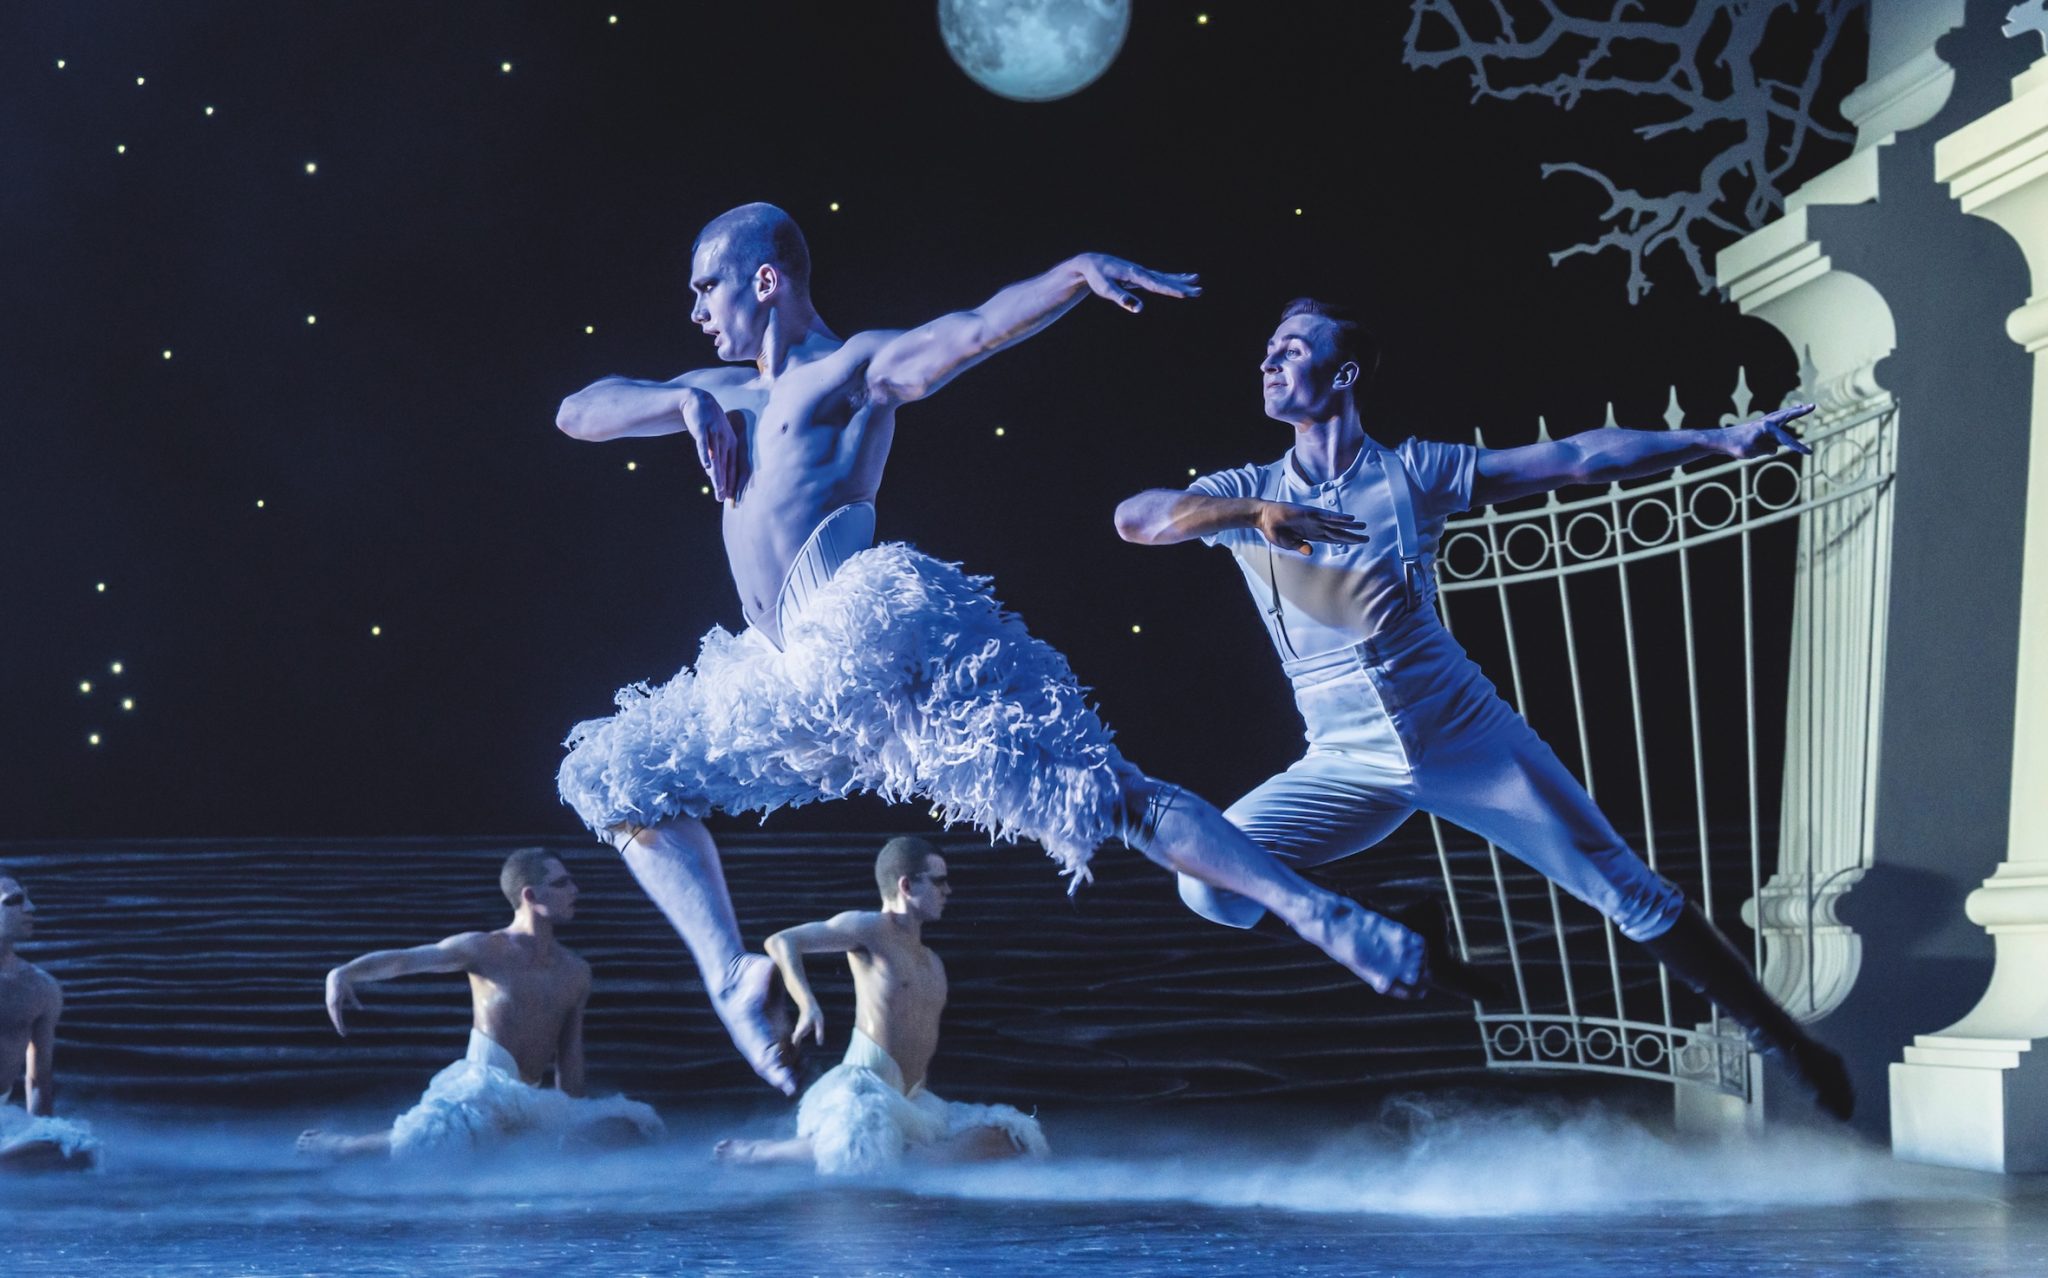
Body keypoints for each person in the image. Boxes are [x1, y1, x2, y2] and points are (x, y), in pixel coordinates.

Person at [554, 205, 1488, 1097]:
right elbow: (577, 413)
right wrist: (681, 401)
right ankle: (731, 979)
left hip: (865, 640)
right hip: (782, 677)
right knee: (612, 776)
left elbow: (971, 330)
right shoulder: (716, 395)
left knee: (1108, 794)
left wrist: (1072, 276)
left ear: (763, 280)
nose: (693, 310)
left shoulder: (851, 369)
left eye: (704, 287)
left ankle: (1323, 916)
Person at [1111, 297, 1854, 1119]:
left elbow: (1575, 458)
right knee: (1209, 884)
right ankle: (1397, 932)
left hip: (1463, 733)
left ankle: (1789, 1041)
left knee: (1627, 891)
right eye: (1267, 351)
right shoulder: (1244, 491)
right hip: (1344, 758)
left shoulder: (1414, 473)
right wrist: (1250, 514)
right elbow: (1136, 519)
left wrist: (1718, 439)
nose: (1269, 362)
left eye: (1290, 349)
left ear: (1343, 373)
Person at [296, 849, 663, 1158]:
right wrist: (344, 973)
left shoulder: (576, 970)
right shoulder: (486, 949)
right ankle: (344, 1146)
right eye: (561, 883)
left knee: (637, 1126)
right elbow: (407, 960)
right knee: (436, 1140)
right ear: (530, 896)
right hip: (480, 1093)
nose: (575, 890)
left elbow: (570, 1054)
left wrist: (572, 1116)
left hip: (531, 1102)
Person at [716, 836, 1045, 1174]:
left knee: (1016, 1135)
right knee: (863, 1145)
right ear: (906, 885)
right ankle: (765, 1152)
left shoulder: (932, 962)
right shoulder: (871, 928)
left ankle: (918, 1152)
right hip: (863, 1089)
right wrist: (806, 1003)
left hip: (912, 1099)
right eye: (939, 881)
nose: (948, 891)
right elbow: (782, 940)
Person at [0, 867, 98, 1172]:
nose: (31, 908)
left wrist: (40, 1135)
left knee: (78, 1147)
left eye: (28, 898)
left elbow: (37, 1079)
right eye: (14, 900)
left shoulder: (40, 987)